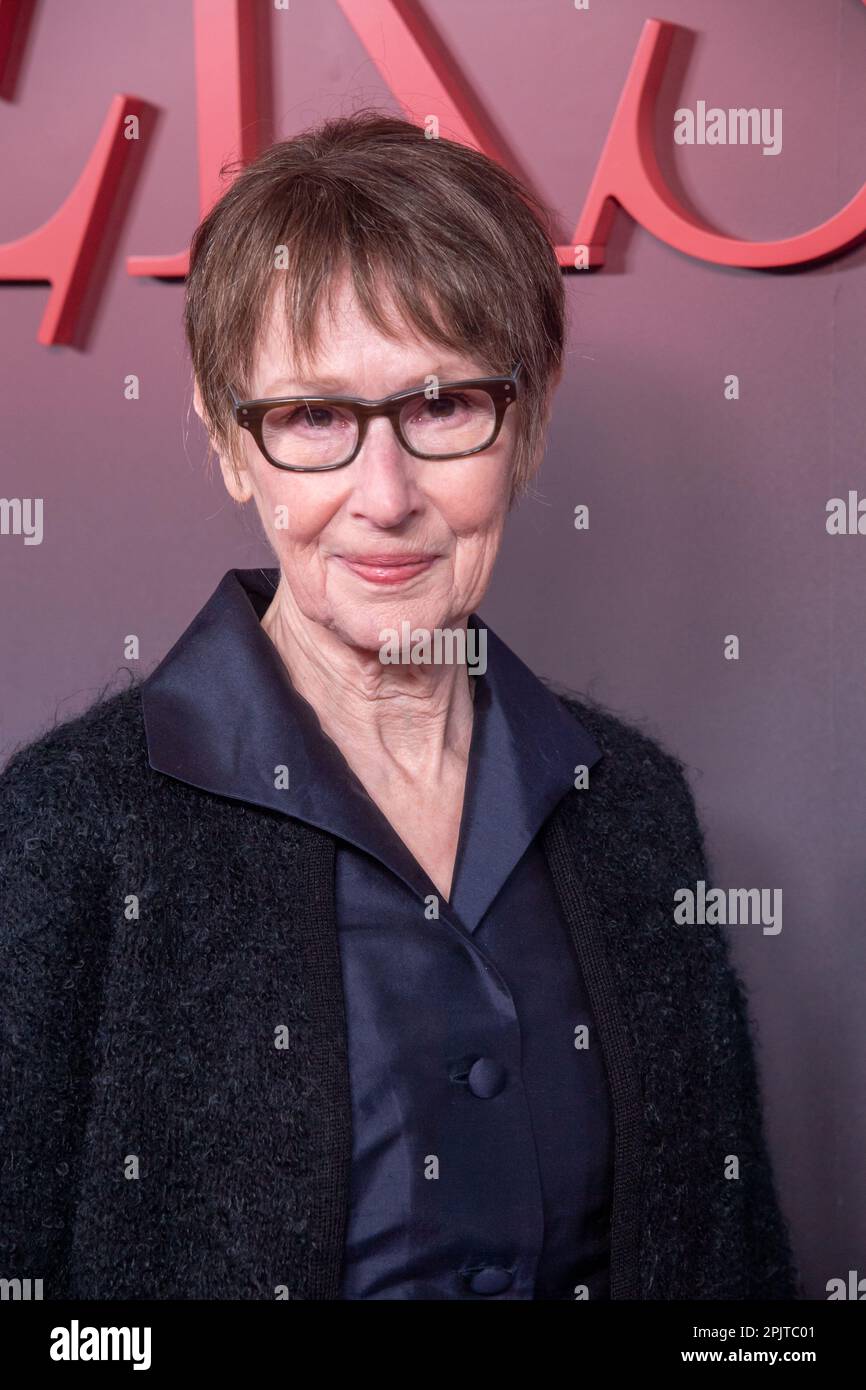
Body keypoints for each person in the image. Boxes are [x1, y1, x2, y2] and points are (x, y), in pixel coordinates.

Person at [0, 110, 800, 1301]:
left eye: (439, 407)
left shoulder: (634, 808)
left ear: (522, 423)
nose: (384, 497)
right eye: (313, 417)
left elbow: (729, 1288)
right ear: (232, 442)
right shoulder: (65, 830)